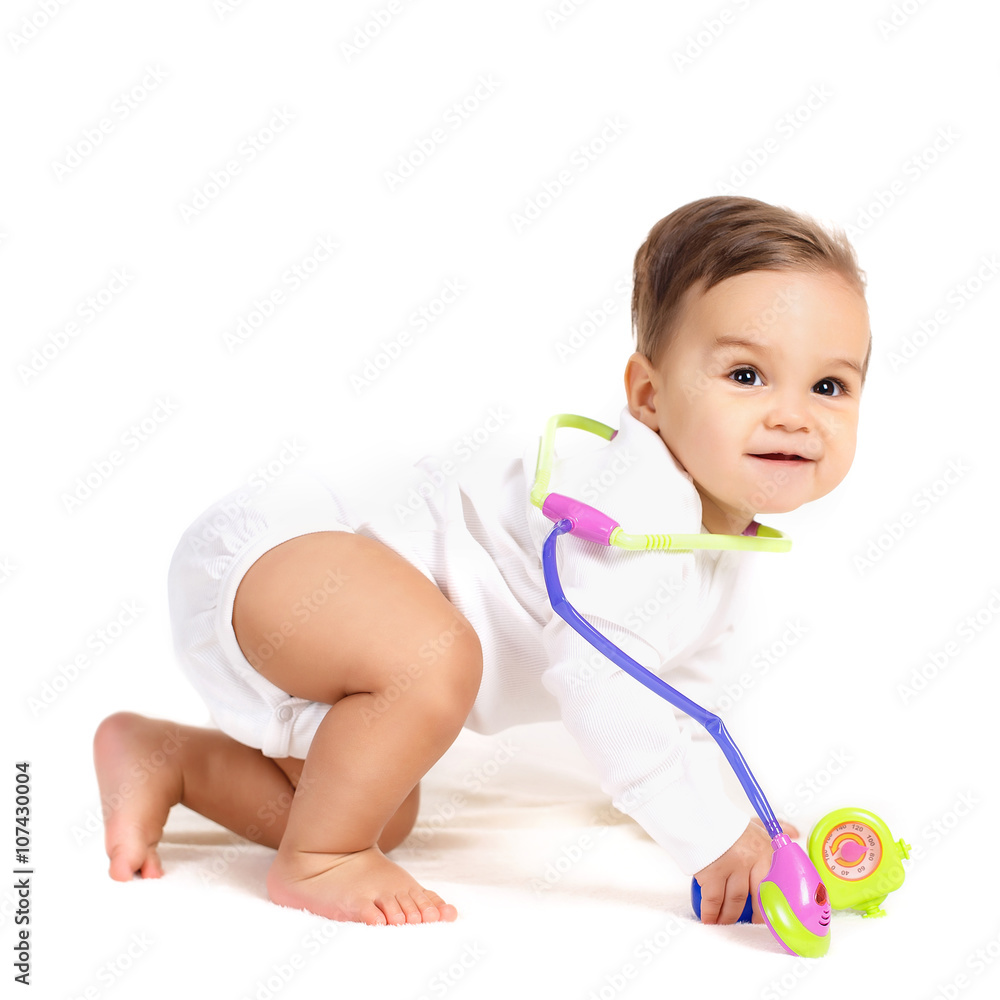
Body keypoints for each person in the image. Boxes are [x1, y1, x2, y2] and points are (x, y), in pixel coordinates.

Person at [93, 195, 872, 928]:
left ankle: (169, 762)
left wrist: (749, 829)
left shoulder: (716, 552)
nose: (793, 414)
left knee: (373, 804)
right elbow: (604, 693)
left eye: (829, 385)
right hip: (281, 558)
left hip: (314, 616)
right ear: (649, 397)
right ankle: (319, 862)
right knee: (434, 663)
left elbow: (674, 710)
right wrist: (708, 840)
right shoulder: (633, 502)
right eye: (745, 375)